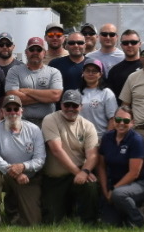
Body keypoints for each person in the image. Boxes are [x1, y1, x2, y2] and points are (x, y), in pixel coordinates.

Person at [0, 93, 46, 225]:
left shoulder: (34, 130)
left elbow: (40, 159)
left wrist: (23, 167)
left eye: (16, 109)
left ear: (22, 111)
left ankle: (12, 209)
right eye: (8, 109)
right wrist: (14, 172)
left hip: (27, 178)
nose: (12, 112)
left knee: (32, 222)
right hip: (4, 175)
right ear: (2, 111)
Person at [41, 90, 103, 224]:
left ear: (81, 106)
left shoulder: (88, 126)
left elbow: (92, 155)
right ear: (61, 104)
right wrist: (78, 172)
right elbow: (56, 150)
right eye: (67, 105)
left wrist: (85, 171)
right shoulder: (50, 119)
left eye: (74, 106)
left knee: (90, 184)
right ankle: (68, 210)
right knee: (51, 221)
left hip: (78, 175)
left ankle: (90, 221)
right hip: (55, 179)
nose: (70, 109)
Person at [96, 108, 144, 228]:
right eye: (118, 119)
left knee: (118, 194)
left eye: (126, 120)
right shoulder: (107, 138)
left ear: (132, 123)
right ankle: (130, 215)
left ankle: (139, 220)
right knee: (109, 224)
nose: (121, 123)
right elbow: (101, 166)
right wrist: (105, 191)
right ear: (113, 121)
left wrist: (113, 189)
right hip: (115, 184)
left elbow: (134, 173)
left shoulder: (136, 140)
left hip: (140, 183)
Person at [5, 37, 63, 126]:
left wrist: (27, 91)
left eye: (39, 49)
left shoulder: (54, 72)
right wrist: (45, 98)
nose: (35, 52)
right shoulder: (14, 71)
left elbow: (55, 96)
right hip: (21, 123)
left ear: (44, 53)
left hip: (47, 123)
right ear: (26, 52)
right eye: (32, 49)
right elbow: (13, 98)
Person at [77, 60, 118, 131]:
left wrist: (106, 138)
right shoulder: (76, 93)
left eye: (94, 71)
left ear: (100, 74)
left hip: (100, 137)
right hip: (80, 137)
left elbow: (112, 119)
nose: (90, 74)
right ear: (83, 73)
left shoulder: (106, 93)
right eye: (87, 71)